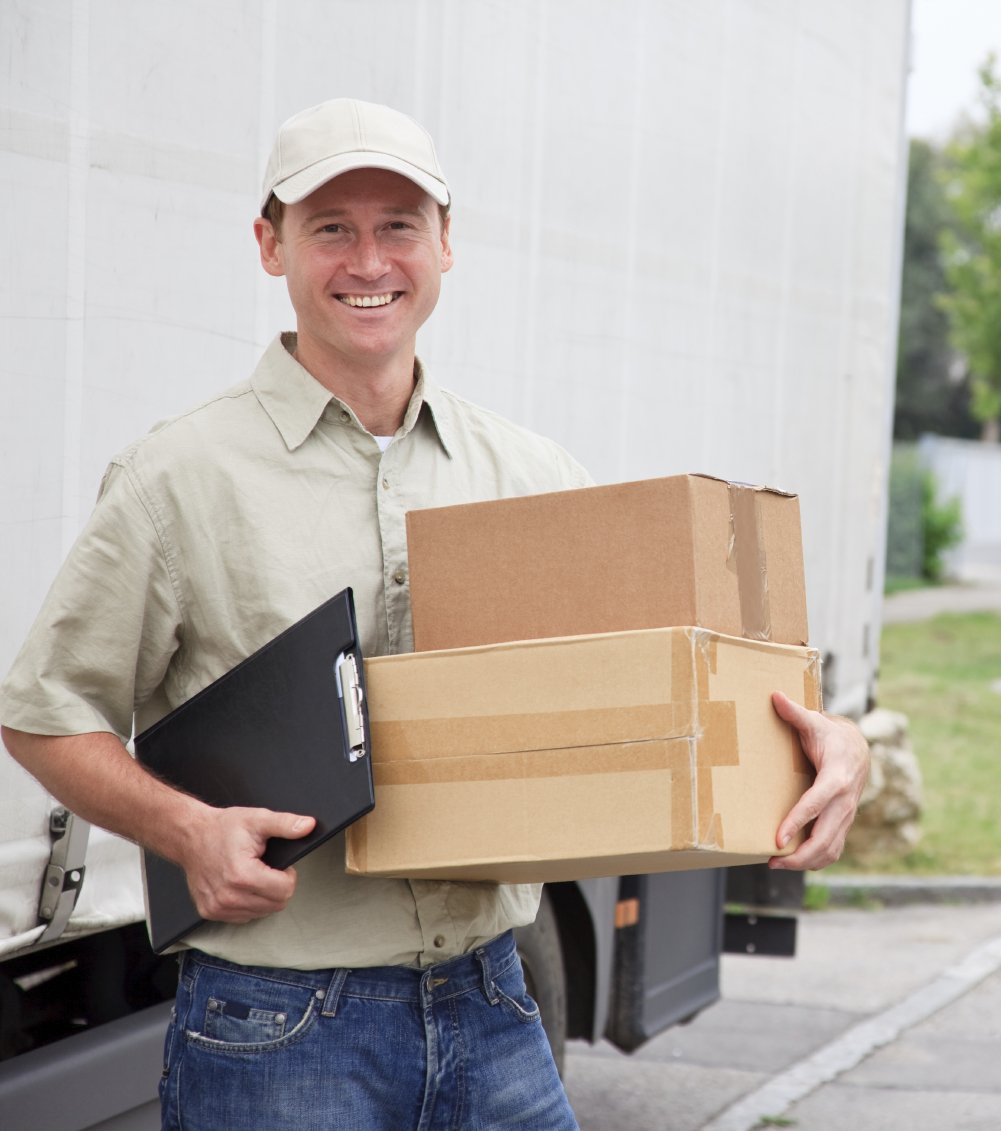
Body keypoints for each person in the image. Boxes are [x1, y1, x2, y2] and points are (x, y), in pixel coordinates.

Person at [0, 98, 870, 1130]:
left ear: (447, 244)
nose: (369, 259)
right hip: (277, 1026)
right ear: (269, 245)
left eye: (399, 225)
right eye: (331, 228)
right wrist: (186, 829)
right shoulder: (177, 479)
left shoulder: (531, 477)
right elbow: (47, 710)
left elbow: (676, 675)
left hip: (494, 1005)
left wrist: (831, 745)